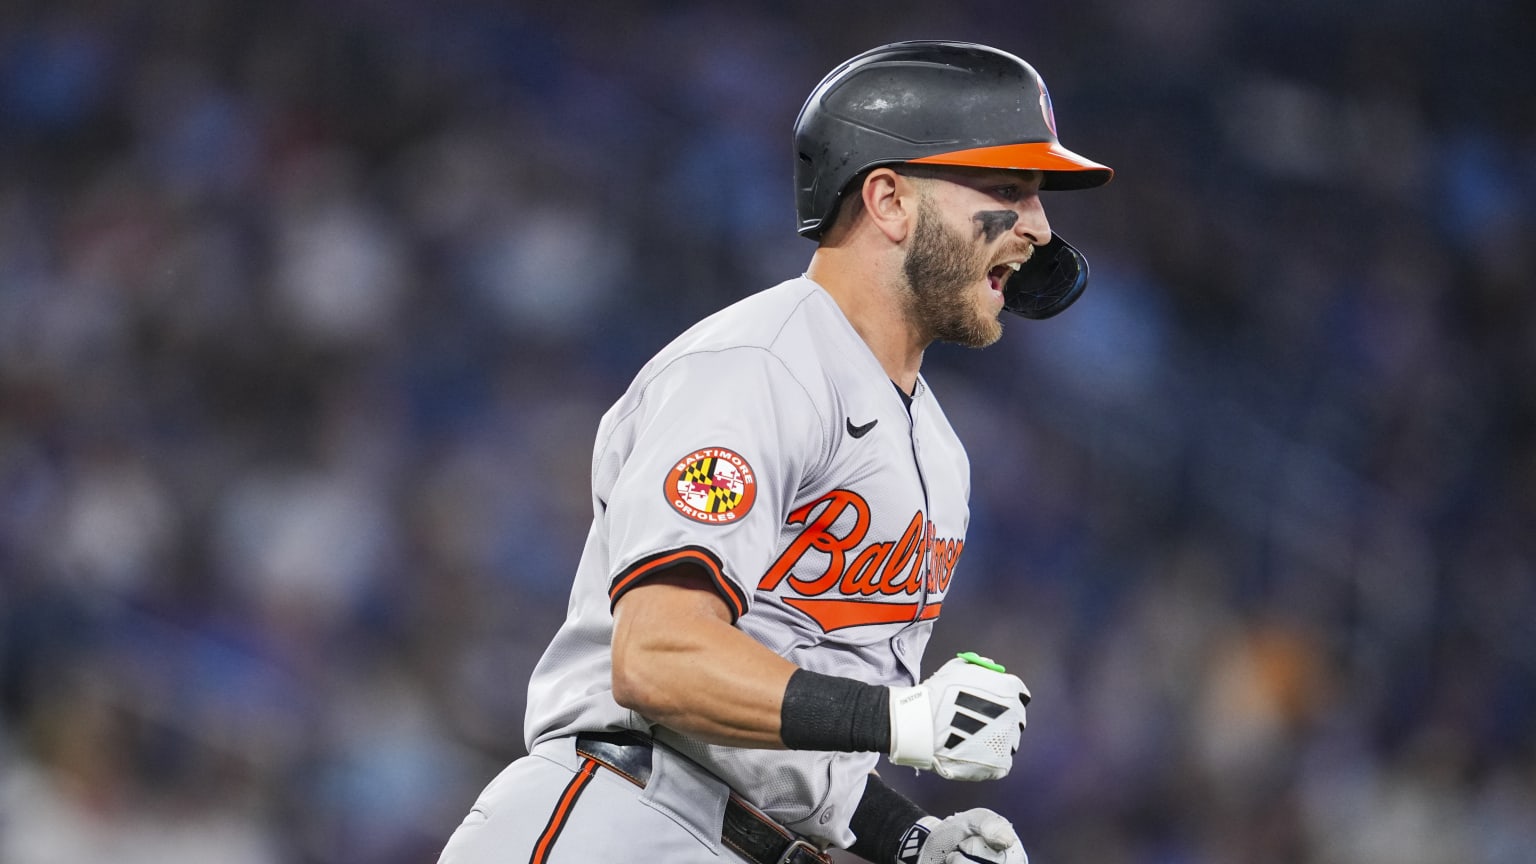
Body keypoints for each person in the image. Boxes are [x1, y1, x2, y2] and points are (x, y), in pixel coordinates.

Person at [437, 40, 1113, 864]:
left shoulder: (939, 449)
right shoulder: (759, 366)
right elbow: (658, 656)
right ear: (890, 200)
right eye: (1008, 190)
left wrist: (911, 839)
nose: (1040, 228)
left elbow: (796, 729)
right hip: (622, 820)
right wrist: (900, 720)